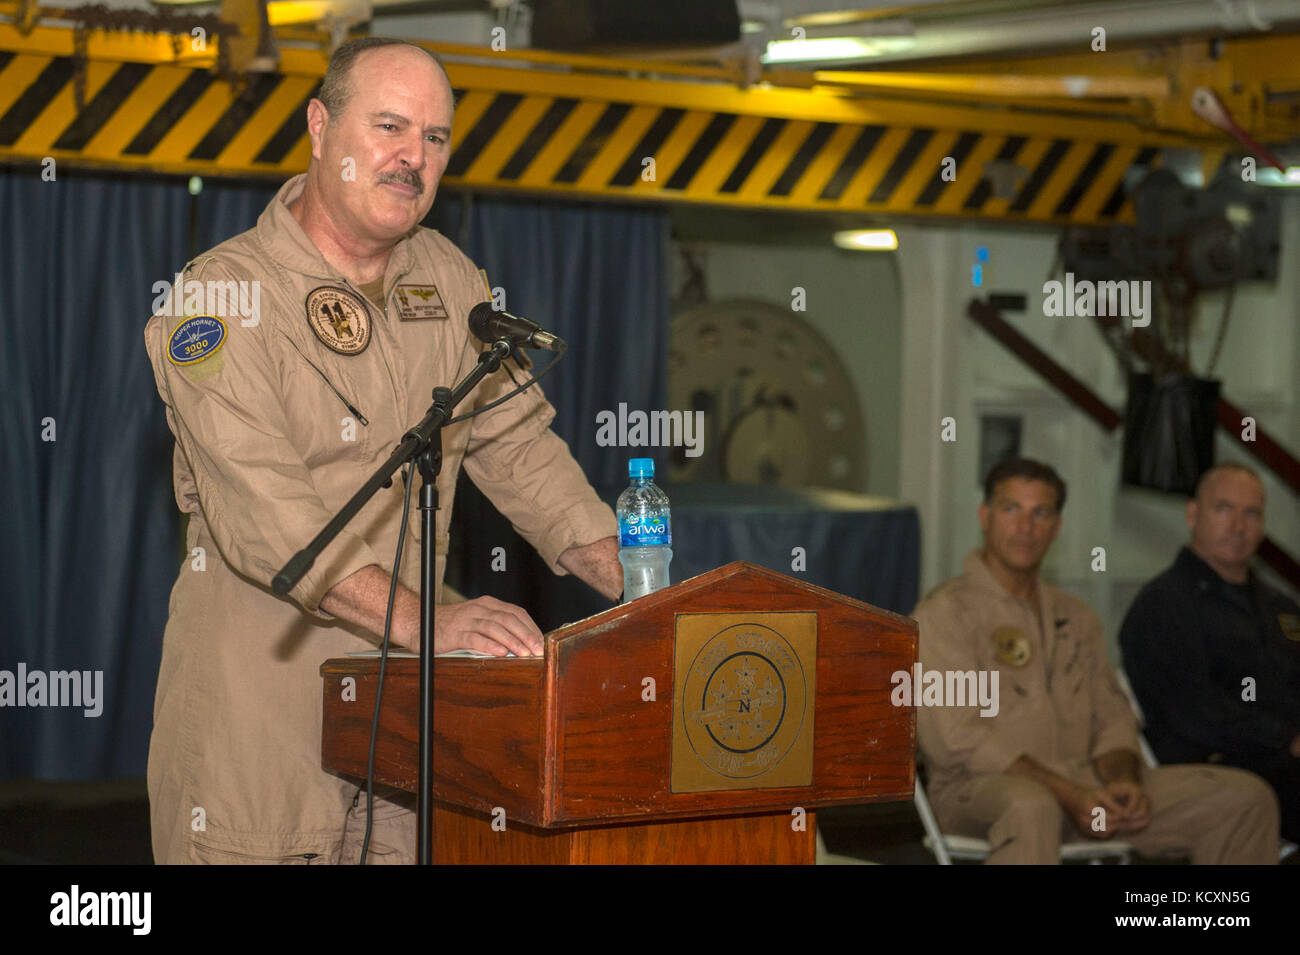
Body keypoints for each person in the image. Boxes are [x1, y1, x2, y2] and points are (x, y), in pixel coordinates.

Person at [143, 37, 622, 864]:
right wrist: (436, 621)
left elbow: (520, 450)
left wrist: (650, 590)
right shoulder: (217, 300)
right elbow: (275, 525)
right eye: (392, 126)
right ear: (321, 127)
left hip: (406, 729)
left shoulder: (450, 278)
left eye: (435, 139)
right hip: (260, 726)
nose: (414, 157)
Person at [912, 457, 1278, 864]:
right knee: (1032, 805)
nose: (1025, 527)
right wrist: (1069, 795)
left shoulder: (1076, 617)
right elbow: (958, 741)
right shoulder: (942, 616)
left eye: (1041, 512)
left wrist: (1124, 782)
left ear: (1057, 527)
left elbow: (1113, 718)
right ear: (985, 516)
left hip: (1088, 789)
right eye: (1010, 508)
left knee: (1244, 799)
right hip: (981, 793)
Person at [1120, 462, 1300, 843]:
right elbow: (1194, 713)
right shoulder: (1163, 607)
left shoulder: (1281, 608)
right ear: (1192, 514)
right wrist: (1286, 737)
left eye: (1251, 513)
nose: (1238, 526)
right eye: (1223, 509)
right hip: (1215, 768)